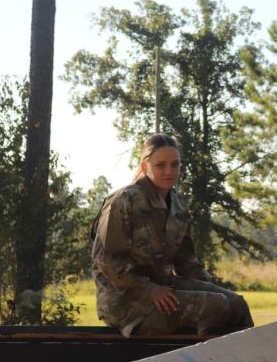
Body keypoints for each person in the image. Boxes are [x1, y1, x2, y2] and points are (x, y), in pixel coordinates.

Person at [91, 133, 253, 337]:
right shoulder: (124, 201)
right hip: (128, 303)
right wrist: (151, 291)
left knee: (237, 304)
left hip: (164, 290)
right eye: (160, 165)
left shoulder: (176, 203)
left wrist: (209, 287)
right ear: (144, 166)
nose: (169, 171)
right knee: (216, 306)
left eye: (175, 164)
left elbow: (187, 261)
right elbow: (105, 259)